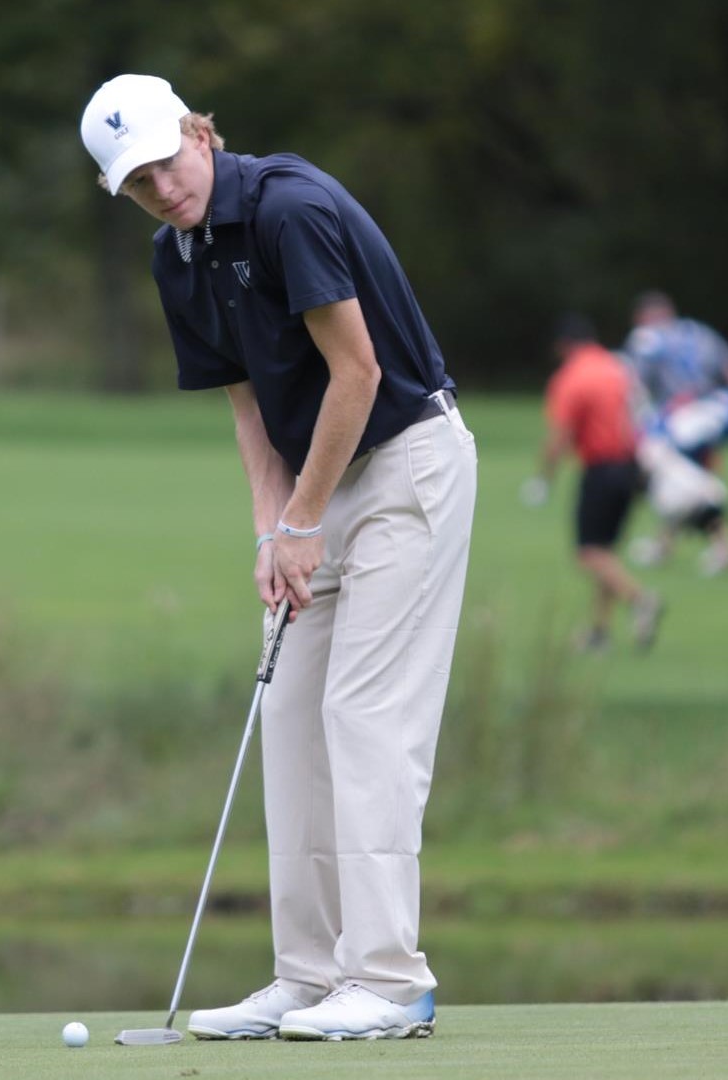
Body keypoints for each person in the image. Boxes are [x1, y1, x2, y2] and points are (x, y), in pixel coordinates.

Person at [79, 74, 476, 1042]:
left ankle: (389, 979)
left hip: (403, 467)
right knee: (290, 713)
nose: (163, 188)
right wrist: (273, 532)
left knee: (364, 715)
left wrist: (303, 520)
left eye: (168, 163)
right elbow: (250, 406)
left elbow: (358, 373)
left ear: (198, 133)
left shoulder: (289, 208)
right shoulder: (175, 256)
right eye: (138, 182)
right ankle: (307, 975)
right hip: (314, 487)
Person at [620, 291, 728, 576]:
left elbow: (631, 384)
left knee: (682, 484)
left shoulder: (647, 338)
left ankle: (724, 548)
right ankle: (665, 545)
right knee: (684, 481)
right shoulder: (700, 333)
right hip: (707, 421)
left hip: (677, 426)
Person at [521, 316, 664, 652]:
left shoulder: (572, 377)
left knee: (589, 553)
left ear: (564, 346)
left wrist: (543, 480)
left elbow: (560, 435)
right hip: (633, 467)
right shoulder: (618, 368)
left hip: (603, 468)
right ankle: (599, 633)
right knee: (606, 551)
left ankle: (641, 600)